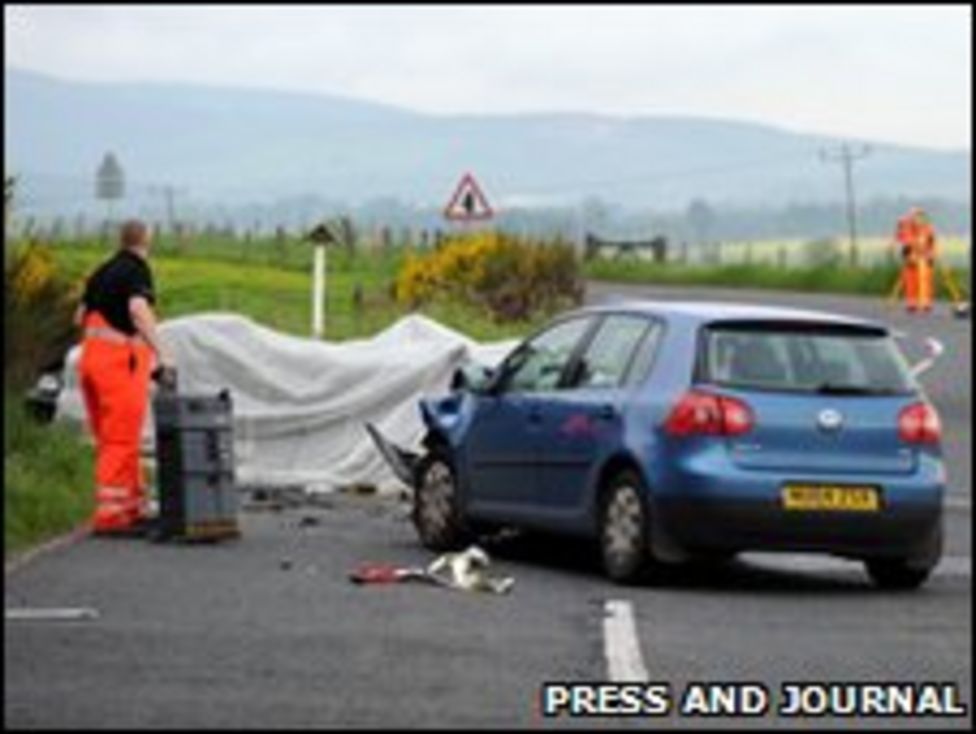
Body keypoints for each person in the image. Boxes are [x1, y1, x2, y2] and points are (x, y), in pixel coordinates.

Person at [75, 219, 174, 535]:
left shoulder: (101, 271)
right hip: (119, 366)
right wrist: (163, 353)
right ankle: (112, 517)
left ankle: (130, 509)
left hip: (91, 362)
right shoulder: (137, 269)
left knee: (112, 439)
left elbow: (79, 316)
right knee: (122, 440)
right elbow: (138, 309)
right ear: (146, 240)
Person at [894, 206, 938, 313]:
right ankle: (912, 303)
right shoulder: (906, 228)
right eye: (916, 216)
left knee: (926, 280)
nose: (918, 218)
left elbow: (933, 243)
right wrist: (907, 254)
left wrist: (931, 255)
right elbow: (901, 241)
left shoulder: (928, 229)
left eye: (920, 216)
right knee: (910, 281)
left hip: (925, 259)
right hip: (911, 259)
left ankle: (925, 303)